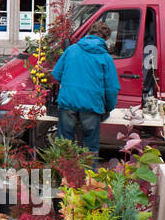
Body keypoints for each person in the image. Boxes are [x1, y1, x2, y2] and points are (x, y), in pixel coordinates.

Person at [50, 21, 119, 154]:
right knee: (90, 147)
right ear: (105, 38)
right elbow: (111, 89)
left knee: (64, 144)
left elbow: (56, 74)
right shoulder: (105, 57)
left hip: (68, 102)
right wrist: (108, 107)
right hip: (91, 106)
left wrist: (70, 83)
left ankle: (64, 168)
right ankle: (88, 168)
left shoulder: (71, 50)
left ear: (90, 33)